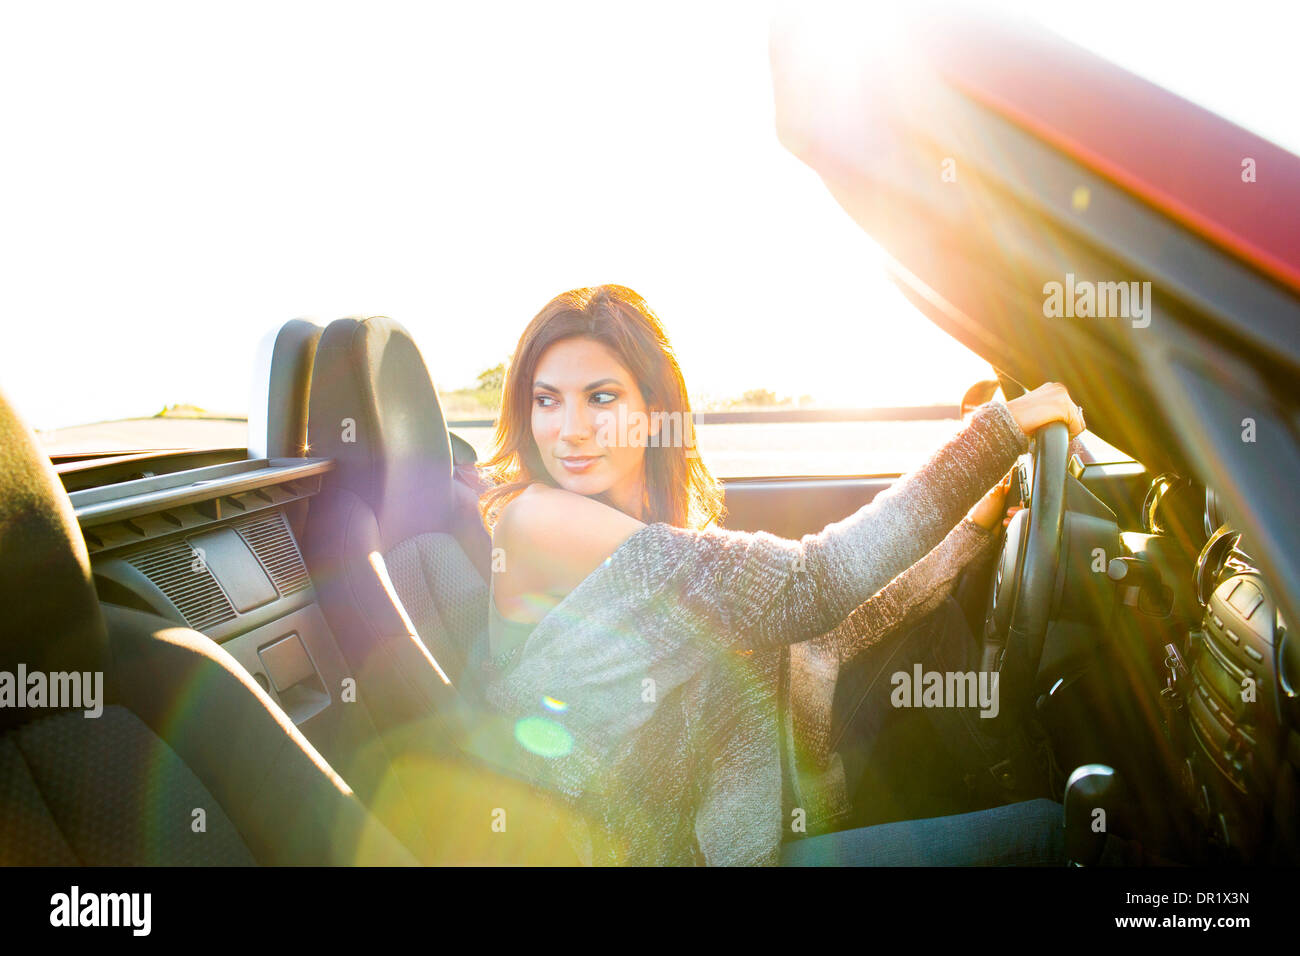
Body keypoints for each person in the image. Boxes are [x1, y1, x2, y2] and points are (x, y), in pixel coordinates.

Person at [476, 284, 1086, 866]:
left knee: (938, 631)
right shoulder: (537, 522)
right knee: (1052, 835)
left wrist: (969, 534)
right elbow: (811, 584)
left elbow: (826, 629)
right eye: (546, 399)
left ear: (653, 410)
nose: (569, 429)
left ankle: (1016, 782)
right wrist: (999, 430)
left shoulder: (647, 536)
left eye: (600, 397)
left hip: (742, 826)